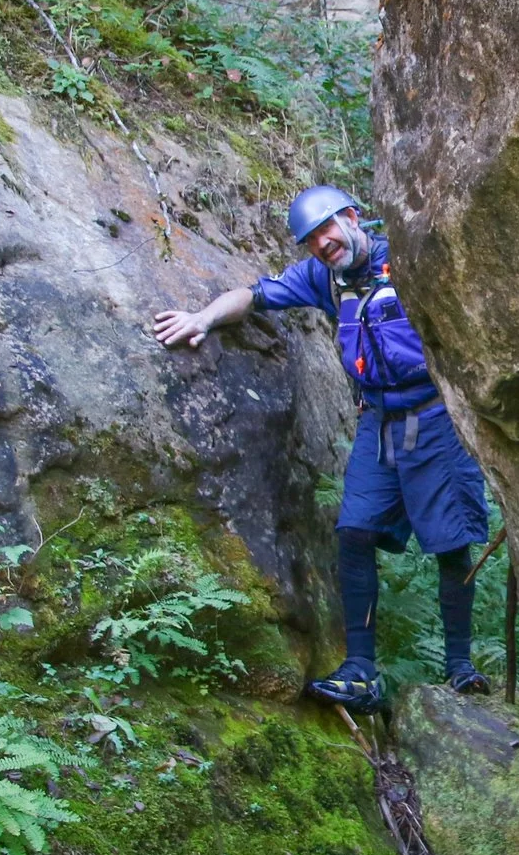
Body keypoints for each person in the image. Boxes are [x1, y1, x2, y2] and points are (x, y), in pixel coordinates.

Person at [151, 184, 492, 711]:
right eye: (310, 240)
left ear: (352, 218)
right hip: (379, 421)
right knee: (354, 532)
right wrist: (202, 318)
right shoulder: (325, 279)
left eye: (326, 231)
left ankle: (460, 669)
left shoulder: (405, 258)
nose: (321, 244)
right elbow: (255, 295)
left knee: (450, 543)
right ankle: (360, 671)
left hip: (435, 415)